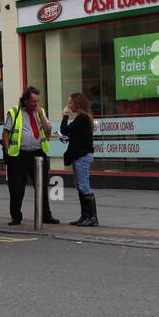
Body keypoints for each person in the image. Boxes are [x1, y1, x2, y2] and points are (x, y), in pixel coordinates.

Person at [1, 86, 59, 225]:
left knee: (42, 186)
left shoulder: (41, 112)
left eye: (37, 101)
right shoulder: (14, 112)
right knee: (17, 187)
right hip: (19, 154)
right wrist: (8, 152)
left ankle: (46, 215)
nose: (36, 104)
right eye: (33, 101)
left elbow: (48, 132)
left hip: (38, 153)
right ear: (25, 100)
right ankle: (16, 216)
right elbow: (6, 133)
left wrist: (41, 116)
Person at [59, 92, 98, 226]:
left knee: (84, 186)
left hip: (82, 156)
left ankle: (92, 218)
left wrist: (65, 115)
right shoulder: (83, 118)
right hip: (79, 155)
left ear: (77, 103)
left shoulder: (82, 118)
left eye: (70, 103)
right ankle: (84, 215)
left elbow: (65, 129)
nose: (68, 105)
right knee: (80, 187)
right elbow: (76, 135)